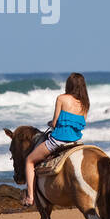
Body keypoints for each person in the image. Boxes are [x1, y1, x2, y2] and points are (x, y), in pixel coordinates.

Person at [21, 72, 89, 208]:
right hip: (75, 141)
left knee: (29, 160)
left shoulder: (61, 98)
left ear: (69, 85)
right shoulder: (85, 103)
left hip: (58, 140)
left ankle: (30, 197)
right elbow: (79, 124)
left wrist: (50, 123)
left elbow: (55, 122)